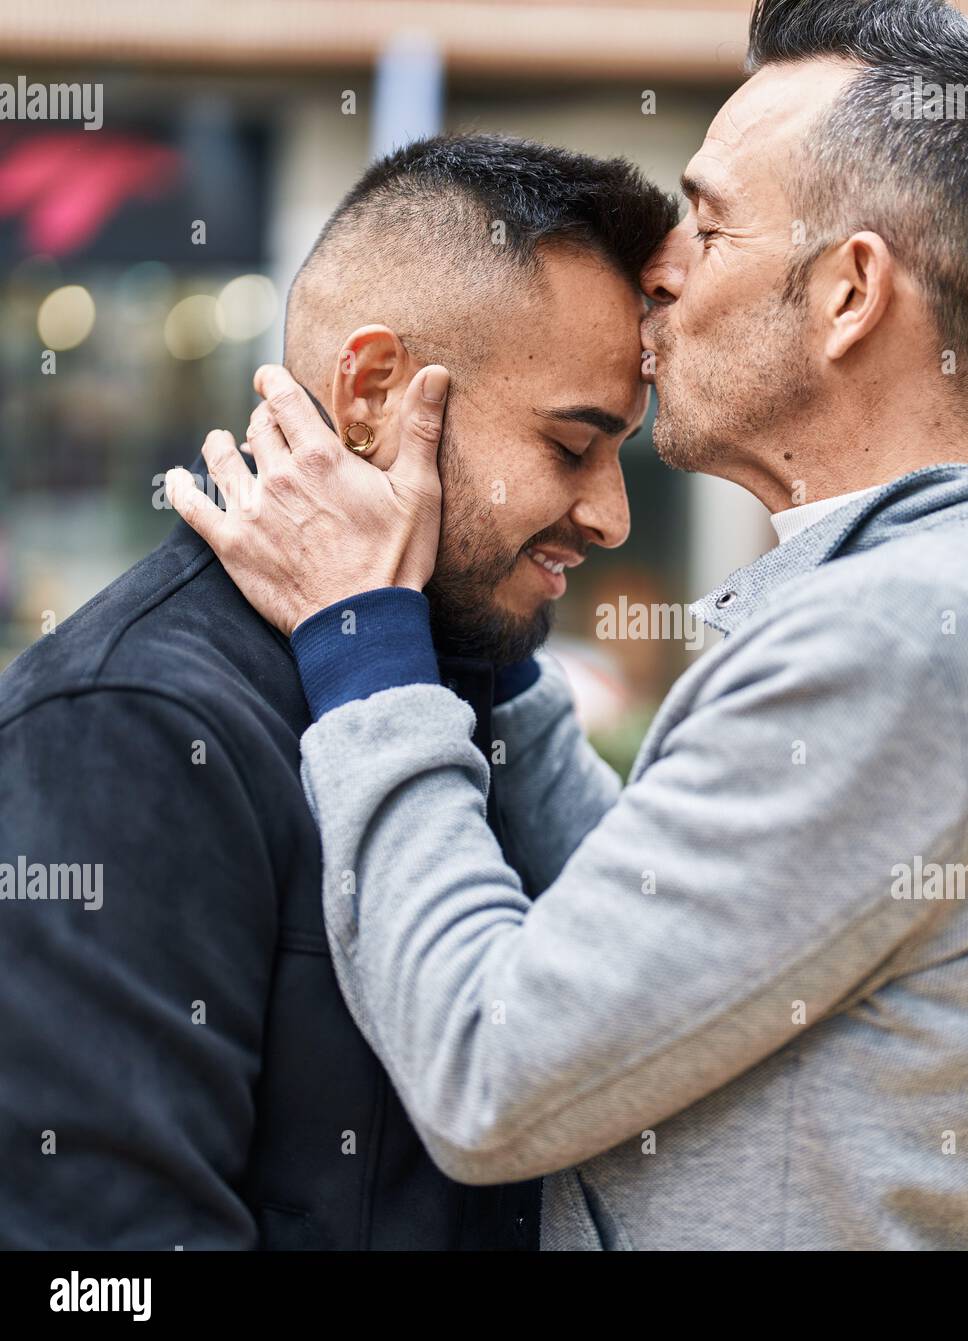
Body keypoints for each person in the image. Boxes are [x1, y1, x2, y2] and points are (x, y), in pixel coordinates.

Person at [174, 0, 968, 1249]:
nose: (662, 271)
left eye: (706, 224)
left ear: (851, 293)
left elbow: (493, 1074)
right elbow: (652, 938)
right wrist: (474, 611)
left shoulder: (914, 636)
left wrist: (366, 645)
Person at [0, 135, 675, 1248]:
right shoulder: (132, 725)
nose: (612, 516)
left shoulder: (463, 684)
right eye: (570, 446)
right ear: (370, 392)